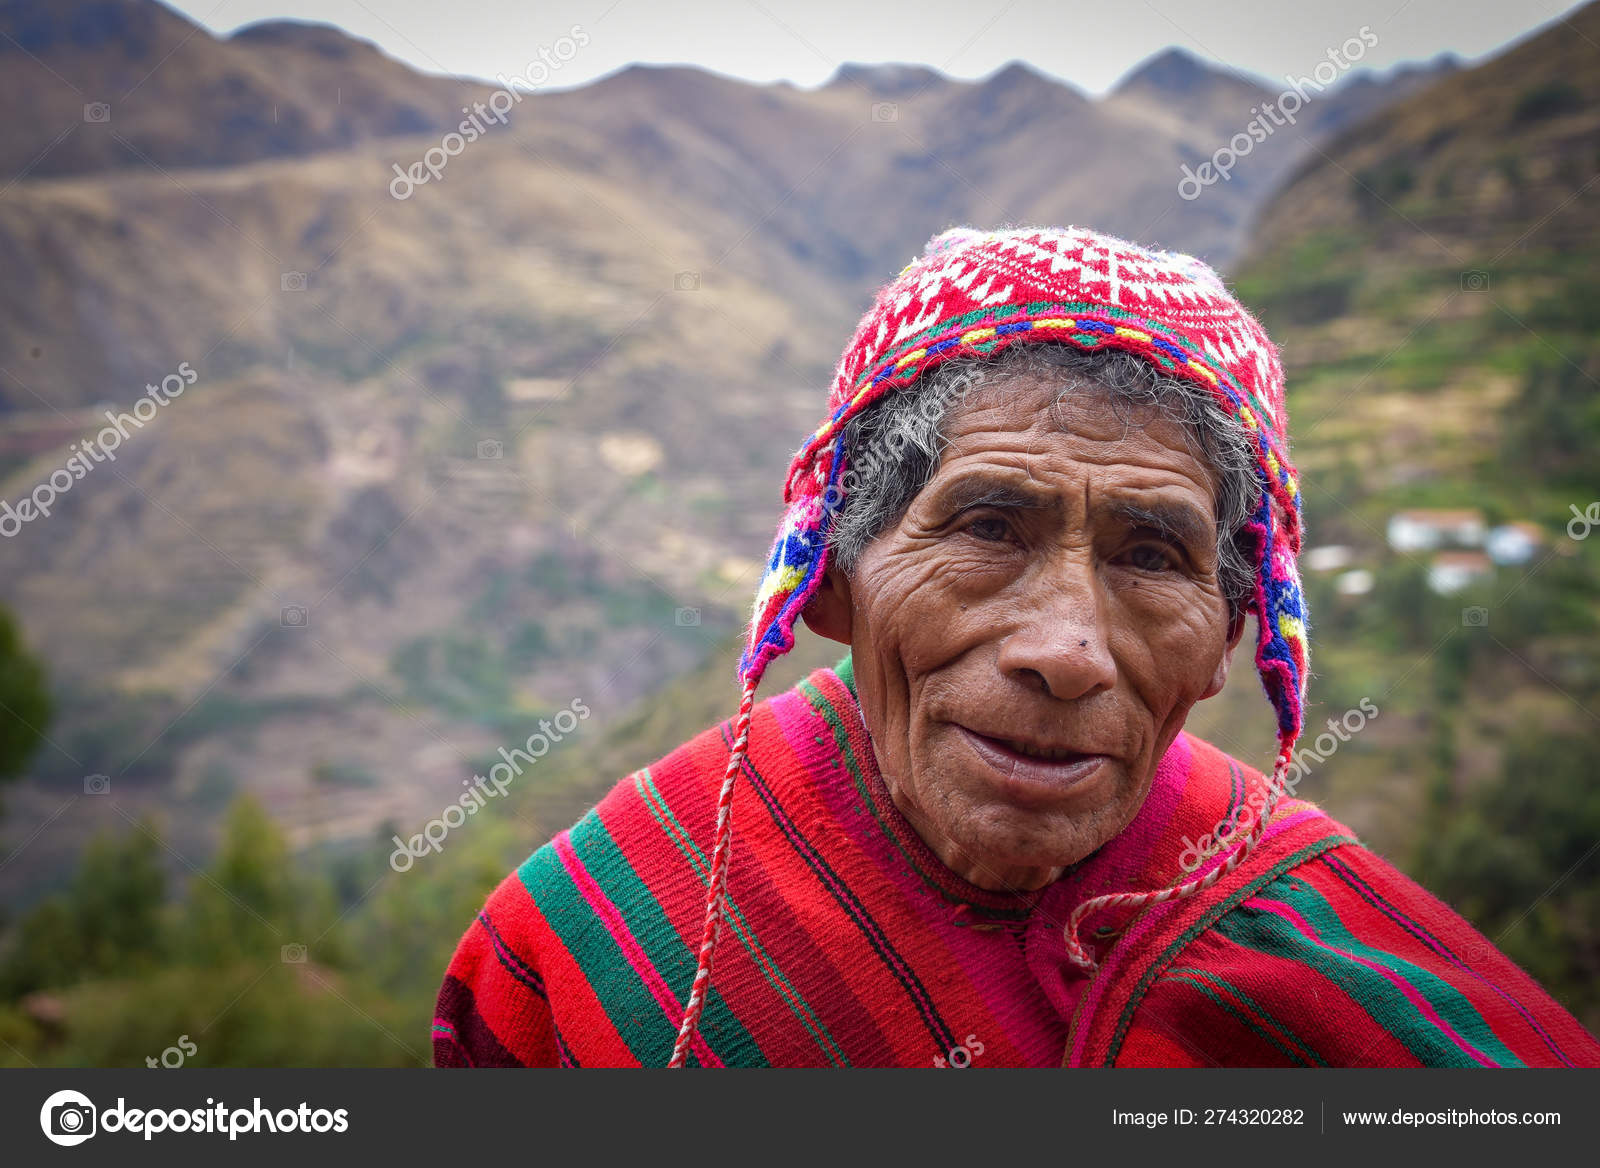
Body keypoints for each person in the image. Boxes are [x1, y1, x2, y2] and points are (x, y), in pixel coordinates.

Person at [432, 225, 1599, 1067]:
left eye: (1152, 557)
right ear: (829, 582)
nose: (1066, 650)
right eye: (987, 528)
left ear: (1227, 640)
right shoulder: (609, 931)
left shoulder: (1355, 991)